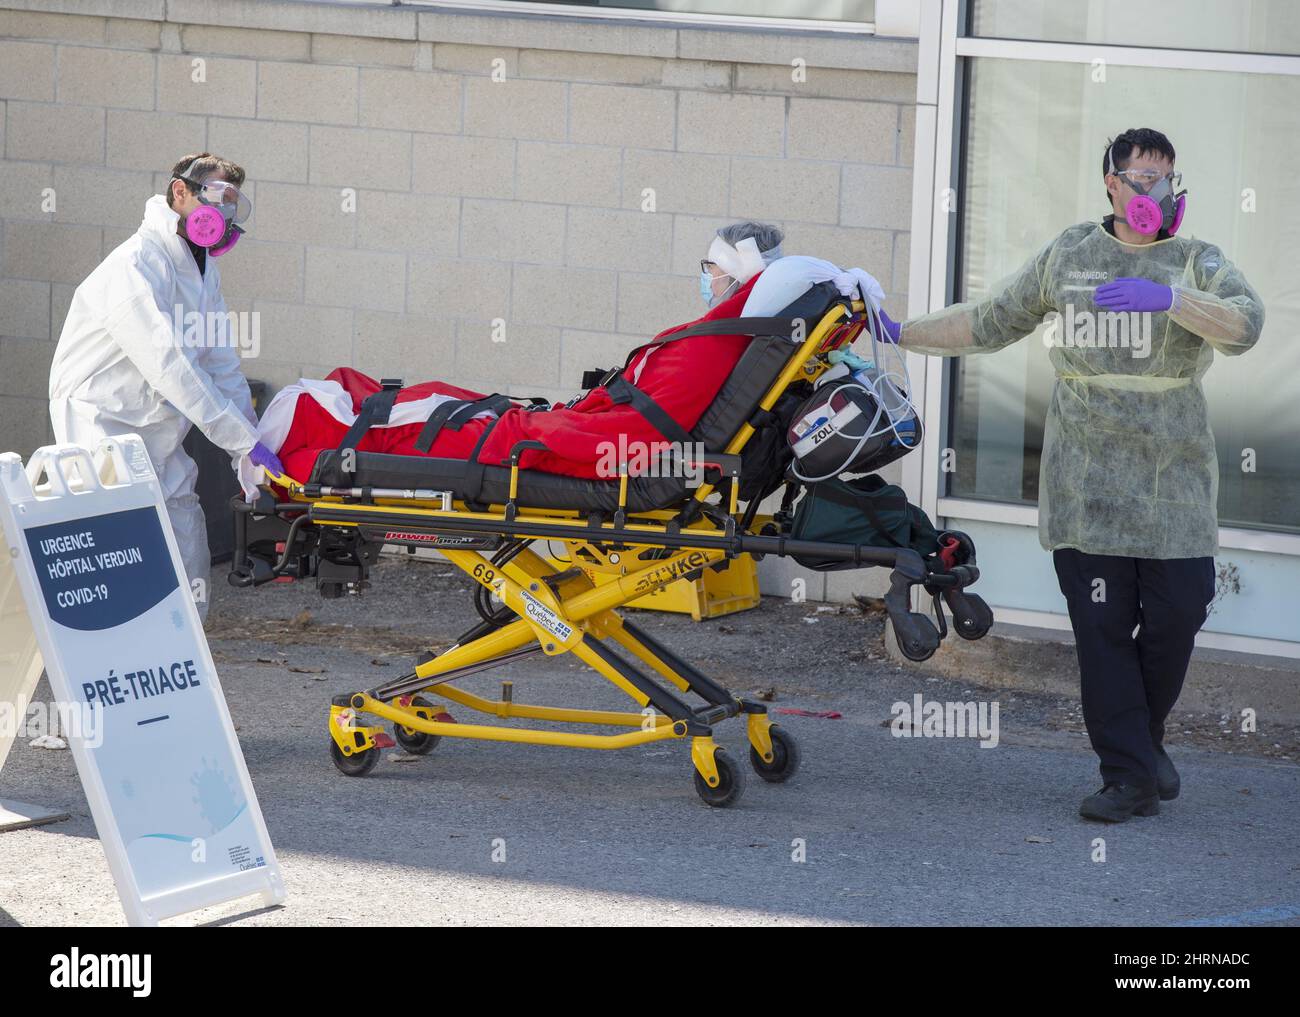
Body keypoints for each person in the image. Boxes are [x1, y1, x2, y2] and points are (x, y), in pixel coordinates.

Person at [881, 128, 1265, 822]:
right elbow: (991, 320)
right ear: (1112, 183)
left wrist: (1174, 300)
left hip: (1173, 487)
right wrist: (900, 330)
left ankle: (1141, 747)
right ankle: (1128, 775)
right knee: (1103, 631)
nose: (1157, 191)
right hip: (1086, 485)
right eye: (1143, 177)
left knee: (1180, 614)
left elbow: (1246, 325)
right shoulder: (1070, 253)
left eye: (1167, 179)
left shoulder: (1198, 260)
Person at [49, 153, 282, 621]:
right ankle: (114, 646)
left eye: (233, 202)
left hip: (156, 429)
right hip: (103, 424)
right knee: (121, 542)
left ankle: (184, 644)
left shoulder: (201, 272)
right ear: (180, 192)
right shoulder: (135, 264)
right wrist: (239, 440)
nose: (224, 213)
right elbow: (169, 366)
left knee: (185, 531)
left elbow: (221, 365)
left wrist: (251, 446)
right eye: (215, 196)